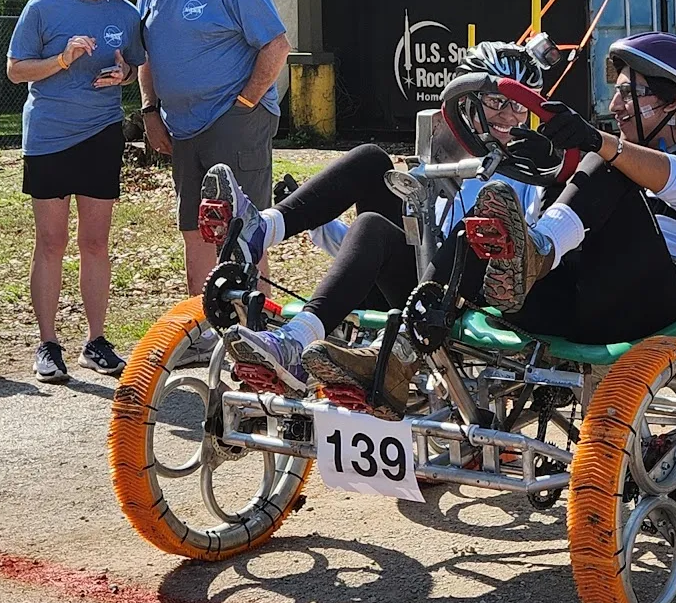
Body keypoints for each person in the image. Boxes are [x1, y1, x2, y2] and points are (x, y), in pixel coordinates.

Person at [261, 33, 676, 418]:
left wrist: (593, 148)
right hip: (568, 298)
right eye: (615, 93)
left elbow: (675, 180)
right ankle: (397, 358)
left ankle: (537, 251)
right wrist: (555, 170)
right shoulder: (605, 158)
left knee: (605, 164)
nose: (615, 105)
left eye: (628, 94)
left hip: (652, 310)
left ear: (674, 102)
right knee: (477, 231)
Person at [211, 41, 549, 397]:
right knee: (373, 163)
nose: (510, 116)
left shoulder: (529, 169)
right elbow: (375, 246)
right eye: (498, 102)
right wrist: (321, 227)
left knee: (471, 223)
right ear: (466, 100)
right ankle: (263, 236)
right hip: (411, 289)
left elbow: (529, 259)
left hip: (462, 302)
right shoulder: (434, 160)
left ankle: (297, 340)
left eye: (519, 106)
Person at [131, 0, 291, 295]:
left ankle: (256, 331)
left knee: (241, 230)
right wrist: (150, 112)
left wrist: (244, 104)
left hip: (232, 119)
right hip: (181, 128)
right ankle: (204, 329)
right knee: (195, 229)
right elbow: (146, 50)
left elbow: (276, 45)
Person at [6, 0, 147, 384]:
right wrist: (62, 60)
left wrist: (122, 75)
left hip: (101, 136)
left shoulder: (126, 16)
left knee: (95, 243)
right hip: (48, 137)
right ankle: (47, 344)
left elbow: (134, 68)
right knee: (50, 242)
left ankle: (95, 341)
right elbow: (15, 71)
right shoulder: (43, 7)